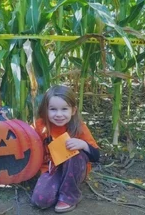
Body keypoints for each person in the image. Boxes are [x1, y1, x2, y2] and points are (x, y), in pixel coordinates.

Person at [32, 85, 101, 213]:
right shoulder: (40, 126)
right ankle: (59, 188)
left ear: (73, 110)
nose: (59, 114)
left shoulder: (78, 127)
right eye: (53, 109)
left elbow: (96, 156)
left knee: (73, 152)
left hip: (74, 168)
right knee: (41, 200)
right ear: (45, 110)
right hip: (51, 169)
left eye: (64, 109)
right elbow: (21, 136)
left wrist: (83, 144)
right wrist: (3, 119)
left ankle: (69, 197)